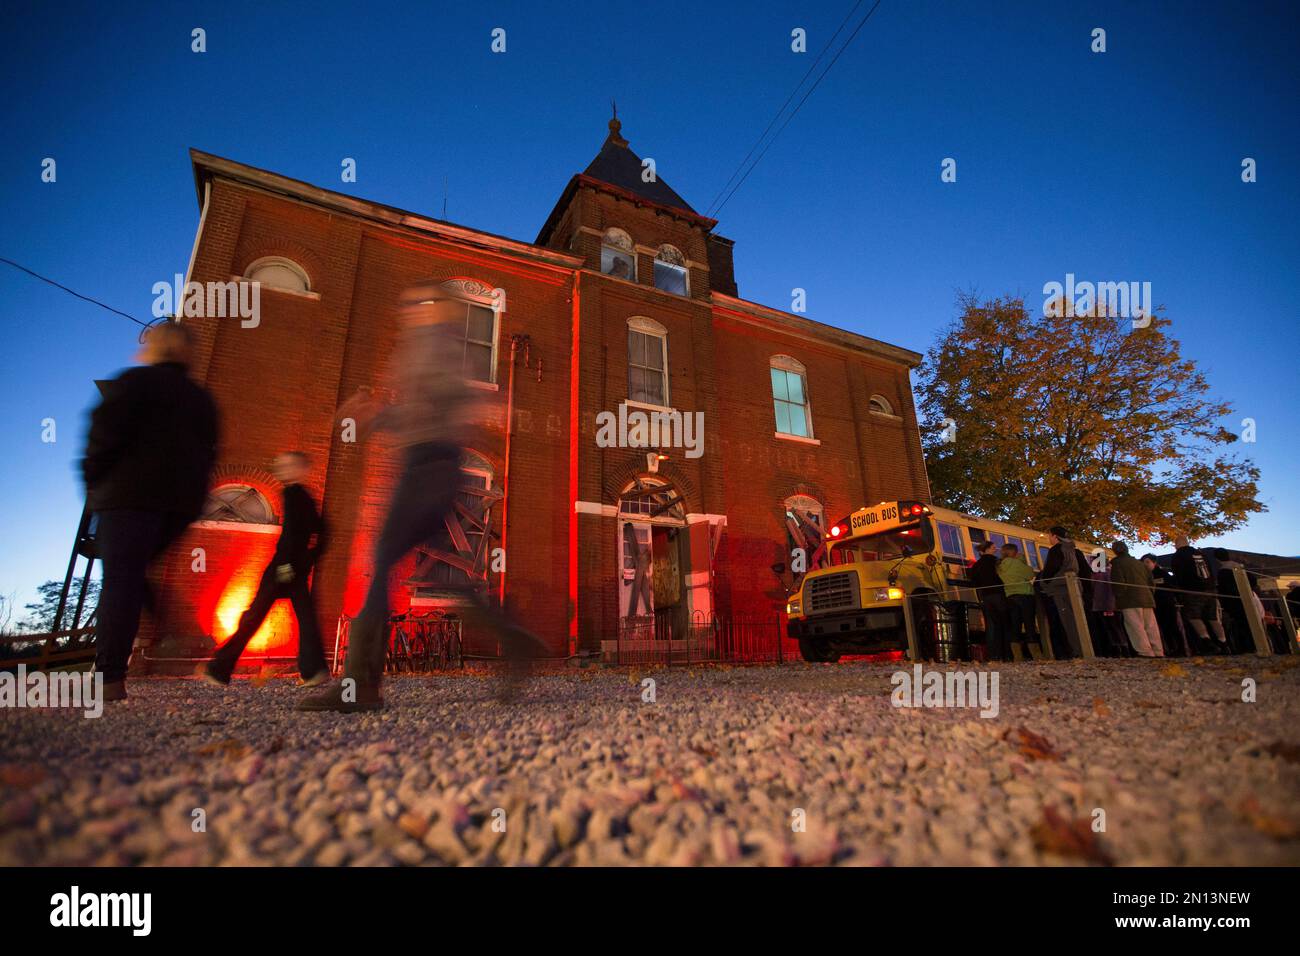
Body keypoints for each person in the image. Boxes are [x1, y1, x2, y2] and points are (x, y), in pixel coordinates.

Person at [299, 287, 543, 713]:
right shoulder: (435, 346)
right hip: (431, 462)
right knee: (446, 571)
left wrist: (377, 415)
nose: (410, 311)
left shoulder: (435, 347)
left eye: (419, 305)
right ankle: (516, 641)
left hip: (428, 463)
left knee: (384, 560)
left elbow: (437, 405)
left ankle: (359, 686)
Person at [82, 321, 219, 702]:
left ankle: (108, 675)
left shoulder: (132, 384)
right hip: (174, 505)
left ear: (155, 348)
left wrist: (93, 480)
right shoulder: (200, 399)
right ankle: (158, 621)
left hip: (126, 497)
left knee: (121, 578)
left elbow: (103, 437)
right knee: (132, 574)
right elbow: (209, 453)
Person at [202, 452, 329, 686]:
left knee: (253, 617)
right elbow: (323, 531)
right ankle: (314, 670)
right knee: (305, 619)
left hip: (283, 569)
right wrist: (309, 559)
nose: (281, 470)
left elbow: (291, 534)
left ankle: (219, 668)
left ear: (299, 469)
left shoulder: (292, 494)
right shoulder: (306, 497)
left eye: (286, 466)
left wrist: (284, 566)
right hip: (297, 568)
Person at [1170, 536, 1229, 654]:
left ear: (1177, 544)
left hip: (1192, 590)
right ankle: (1223, 643)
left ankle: (1206, 640)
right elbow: (1211, 570)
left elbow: (1178, 575)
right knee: (1213, 617)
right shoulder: (1201, 554)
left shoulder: (1178, 556)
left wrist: (1179, 589)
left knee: (1194, 616)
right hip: (1210, 589)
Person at [1036, 526, 1085, 658]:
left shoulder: (1056, 550)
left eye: (1049, 536)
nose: (1049, 538)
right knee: (1077, 619)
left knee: (1067, 621)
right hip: (1073, 586)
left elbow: (1052, 567)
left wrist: (1044, 581)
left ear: (1055, 536)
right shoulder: (1071, 549)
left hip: (1060, 588)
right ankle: (1082, 647)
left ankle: (1077, 650)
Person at [1110, 542, 1164, 657]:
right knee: (1151, 626)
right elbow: (1151, 583)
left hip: (1129, 599)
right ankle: (1158, 651)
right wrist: (1149, 594)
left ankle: (1145, 651)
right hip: (1147, 598)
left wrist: (1118, 597)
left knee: (1135, 626)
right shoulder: (1140, 564)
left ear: (1114, 551)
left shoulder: (1117, 563)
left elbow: (1118, 584)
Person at [969, 541, 1011, 661]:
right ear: (987, 549)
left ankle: (993, 654)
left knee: (991, 625)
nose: (995, 549)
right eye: (993, 548)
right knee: (1004, 623)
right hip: (998, 594)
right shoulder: (996, 562)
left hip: (986, 596)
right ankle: (1006, 653)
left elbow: (974, 581)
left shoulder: (976, 565)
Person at [997, 542, 1038, 659]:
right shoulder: (1017, 563)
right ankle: (1036, 655)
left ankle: (1017, 656)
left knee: (1015, 626)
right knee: (1029, 624)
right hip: (1025, 595)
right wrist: (1022, 560)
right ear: (1014, 552)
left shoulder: (1000, 566)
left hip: (1010, 596)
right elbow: (1030, 574)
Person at [1143, 553, 1187, 656]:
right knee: (1162, 628)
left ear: (1154, 562)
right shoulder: (1144, 575)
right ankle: (1170, 648)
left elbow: (1172, 586)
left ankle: (1181, 649)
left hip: (1167, 603)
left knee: (1173, 626)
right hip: (1156, 604)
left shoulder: (1162, 573)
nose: (1145, 564)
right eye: (1143, 562)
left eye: (1147, 562)